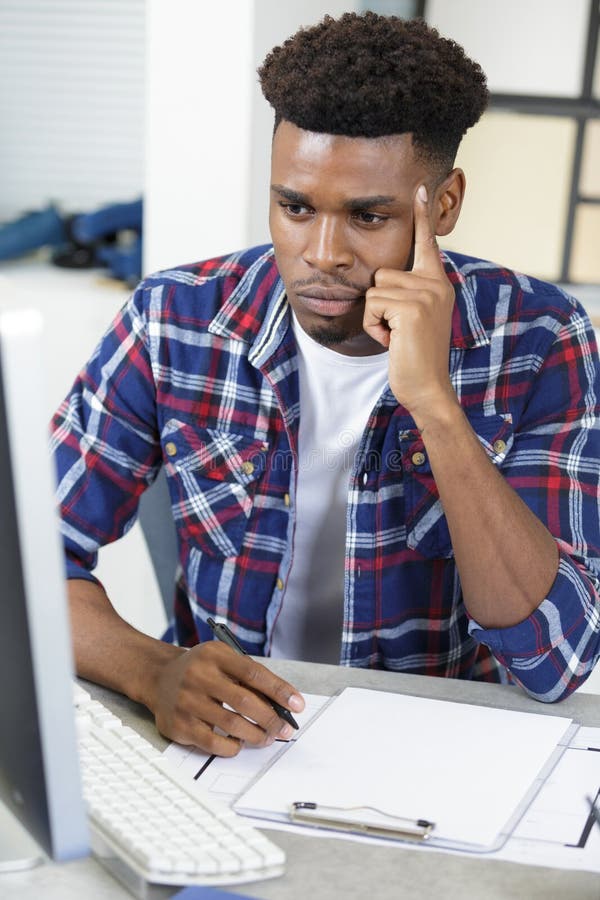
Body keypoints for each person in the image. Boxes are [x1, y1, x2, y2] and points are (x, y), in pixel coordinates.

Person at [51, 12, 600, 757]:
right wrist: (155, 671)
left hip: (435, 749)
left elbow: (552, 660)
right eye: (295, 207)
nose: (324, 254)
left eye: (368, 216)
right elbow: (26, 561)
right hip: (225, 745)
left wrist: (435, 405)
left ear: (442, 205)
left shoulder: (540, 339)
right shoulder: (173, 318)